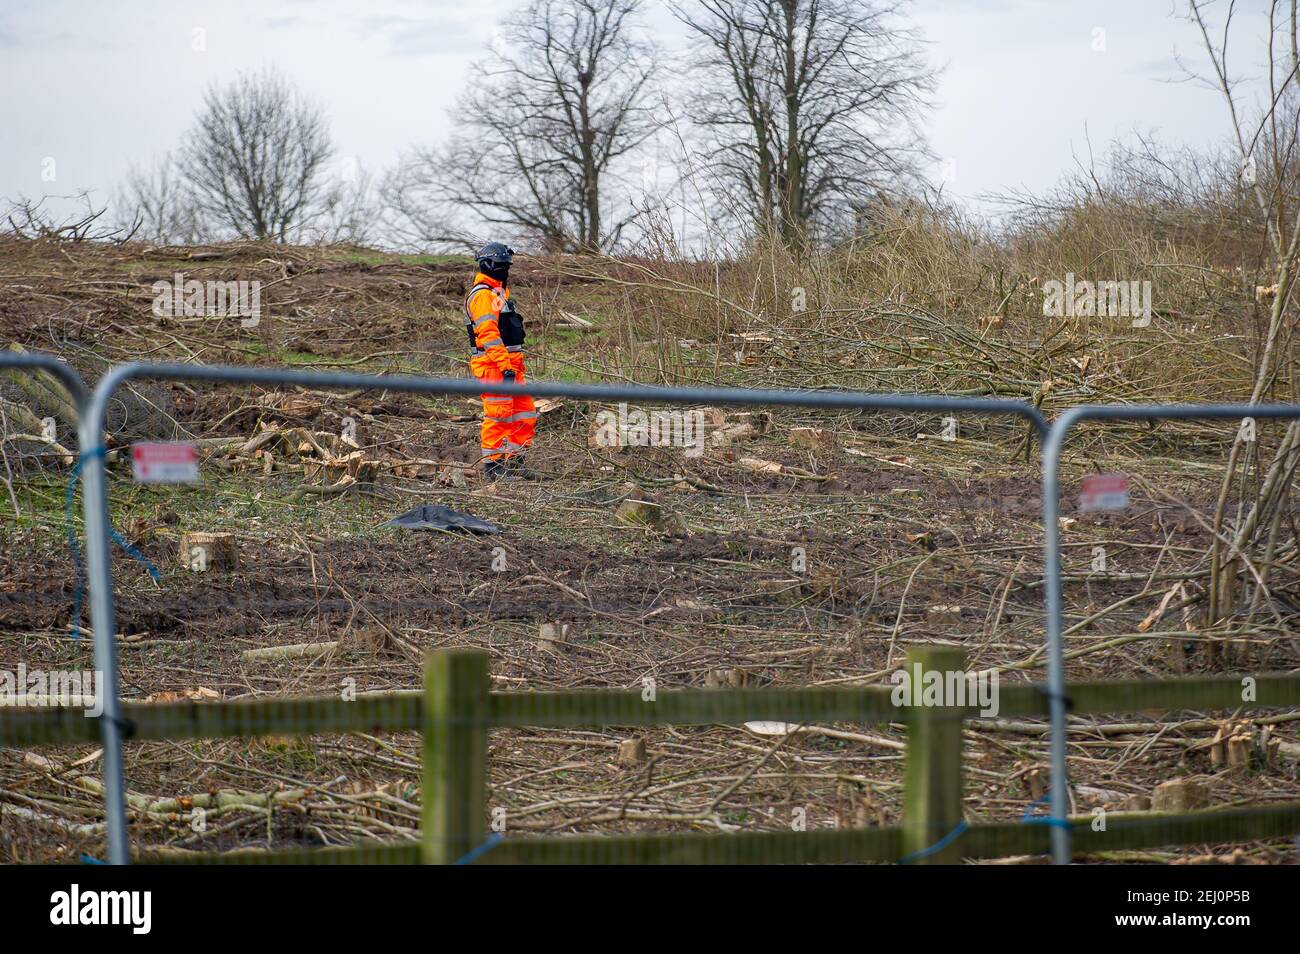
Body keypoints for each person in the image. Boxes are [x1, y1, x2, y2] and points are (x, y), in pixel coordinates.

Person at [465, 242, 537, 479]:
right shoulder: (483, 295)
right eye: (501, 265)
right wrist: (504, 365)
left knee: (524, 413)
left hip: (511, 366)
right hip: (494, 366)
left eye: (507, 265)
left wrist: (512, 364)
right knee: (498, 416)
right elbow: (488, 334)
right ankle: (493, 469)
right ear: (488, 265)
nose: (505, 269)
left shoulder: (497, 293)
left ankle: (515, 463)